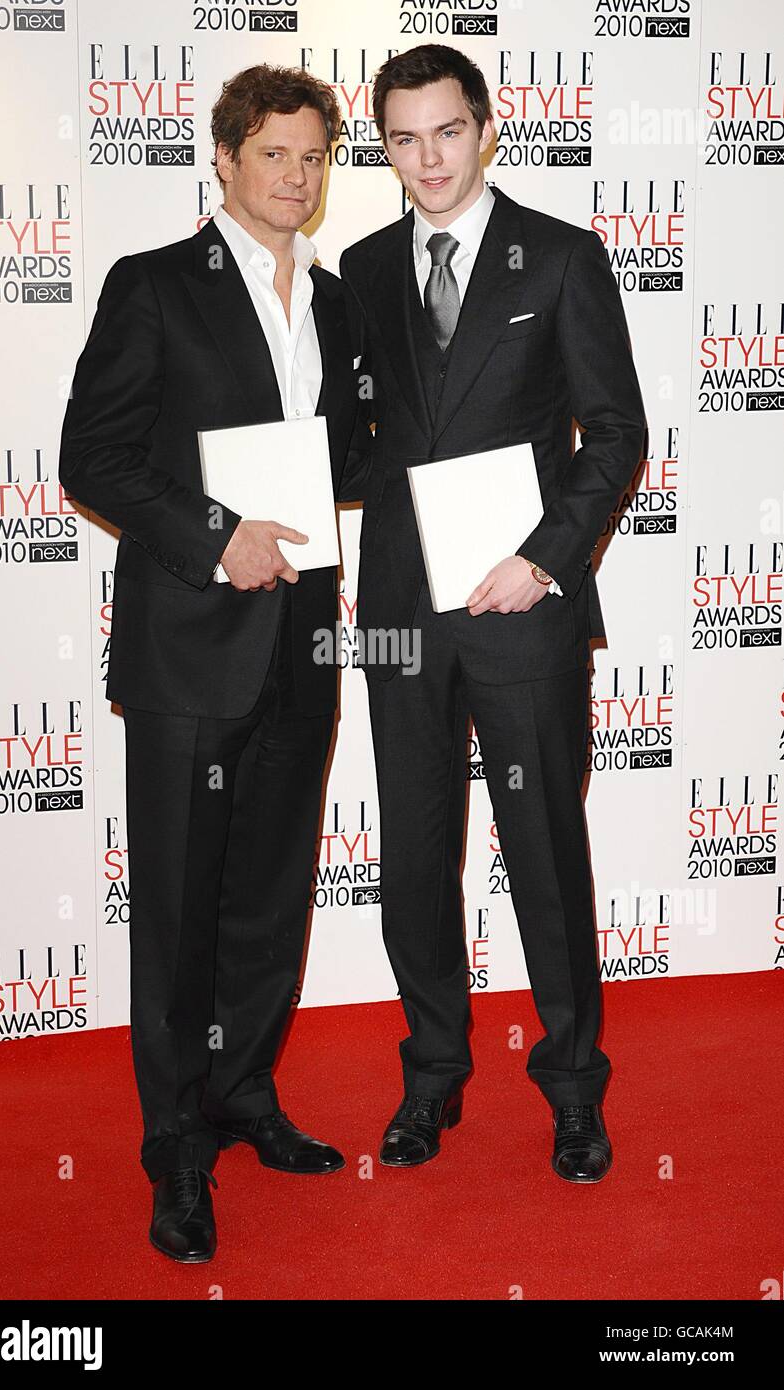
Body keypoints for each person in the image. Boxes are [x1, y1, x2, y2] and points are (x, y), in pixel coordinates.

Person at [59, 63, 371, 1261]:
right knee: (182, 909)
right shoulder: (152, 288)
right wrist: (212, 536)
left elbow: (346, 454)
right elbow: (93, 457)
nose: (295, 177)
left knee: (268, 893)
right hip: (191, 644)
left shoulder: (337, 300)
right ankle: (174, 1150)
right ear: (225, 158)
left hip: (303, 639)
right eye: (273, 154)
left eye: (312, 157)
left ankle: (244, 1094)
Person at [339, 44, 646, 1182]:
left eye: (445, 131)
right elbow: (351, 439)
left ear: (485, 128)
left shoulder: (560, 259)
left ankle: (572, 1090)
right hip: (400, 614)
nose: (426, 157)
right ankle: (429, 1080)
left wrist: (542, 558)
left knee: (543, 854)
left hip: (521, 612)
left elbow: (614, 430)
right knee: (412, 859)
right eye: (402, 138)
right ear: (386, 146)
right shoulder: (362, 271)